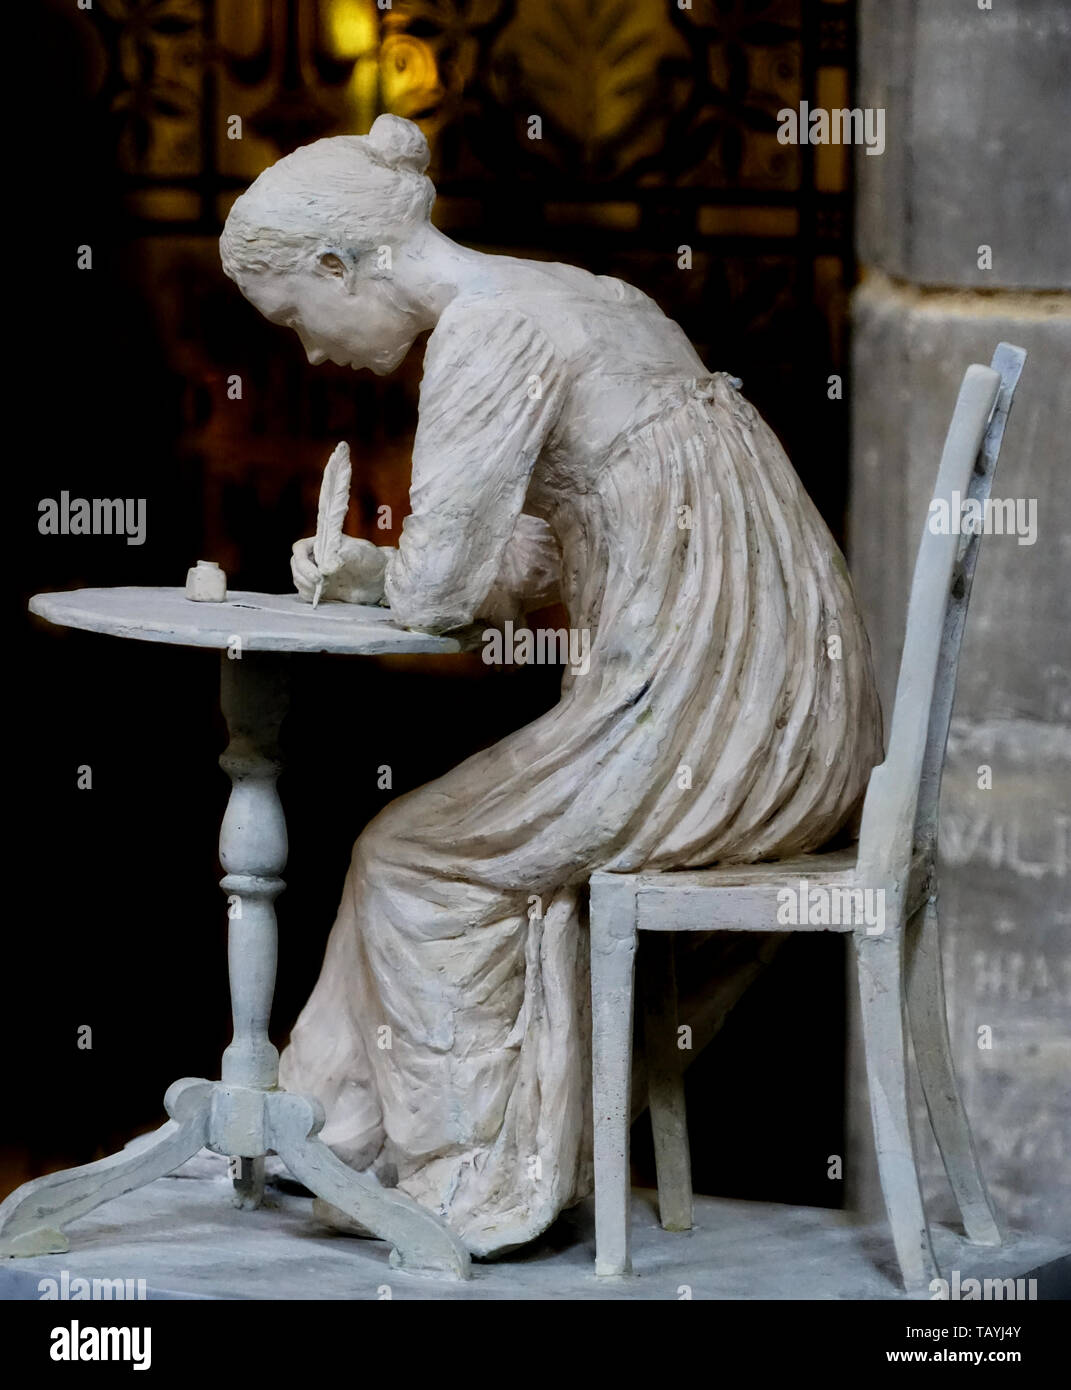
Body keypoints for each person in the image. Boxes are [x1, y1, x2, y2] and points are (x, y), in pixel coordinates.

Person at [219, 113, 883, 1256]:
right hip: (793, 704)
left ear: (340, 267)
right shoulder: (585, 296)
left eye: (297, 320)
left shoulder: (487, 333)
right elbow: (541, 554)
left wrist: (386, 572)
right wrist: (393, 565)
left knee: (413, 856)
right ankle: (336, 1133)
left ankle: (468, 1181)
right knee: (435, 847)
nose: (313, 354)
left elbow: (442, 591)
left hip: (707, 717)